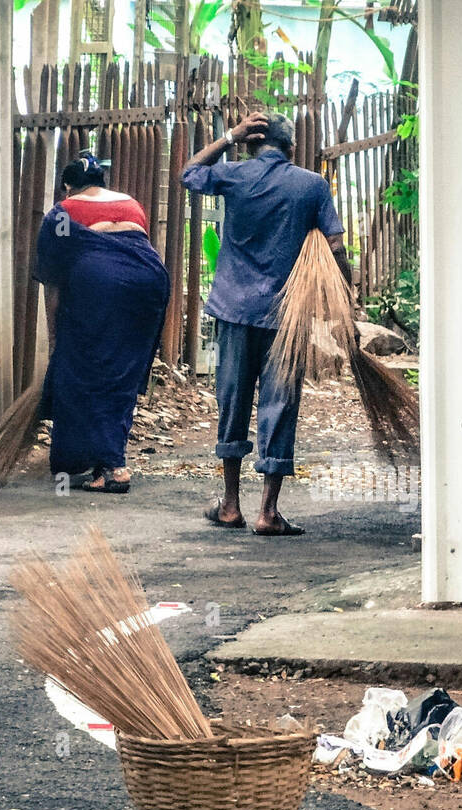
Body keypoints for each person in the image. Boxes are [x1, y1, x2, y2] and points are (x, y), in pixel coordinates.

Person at [181, 112, 351, 535]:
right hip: (285, 316)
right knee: (279, 406)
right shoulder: (310, 185)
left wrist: (227, 137)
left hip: (234, 310)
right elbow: (335, 247)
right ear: (290, 148)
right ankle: (268, 512)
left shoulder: (235, 175)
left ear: (252, 145)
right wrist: (345, 300)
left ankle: (230, 506)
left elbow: (189, 173)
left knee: (232, 403)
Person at [34, 151, 169, 493]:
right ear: (101, 182)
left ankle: (111, 467)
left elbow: (52, 282)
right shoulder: (132, 204)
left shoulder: (62, 212)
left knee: (84, 372)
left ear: (68, 186)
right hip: (150, 284)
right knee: (120, 372)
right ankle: (104, 464)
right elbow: (133, 248)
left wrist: (55, 339)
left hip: (99, 285)